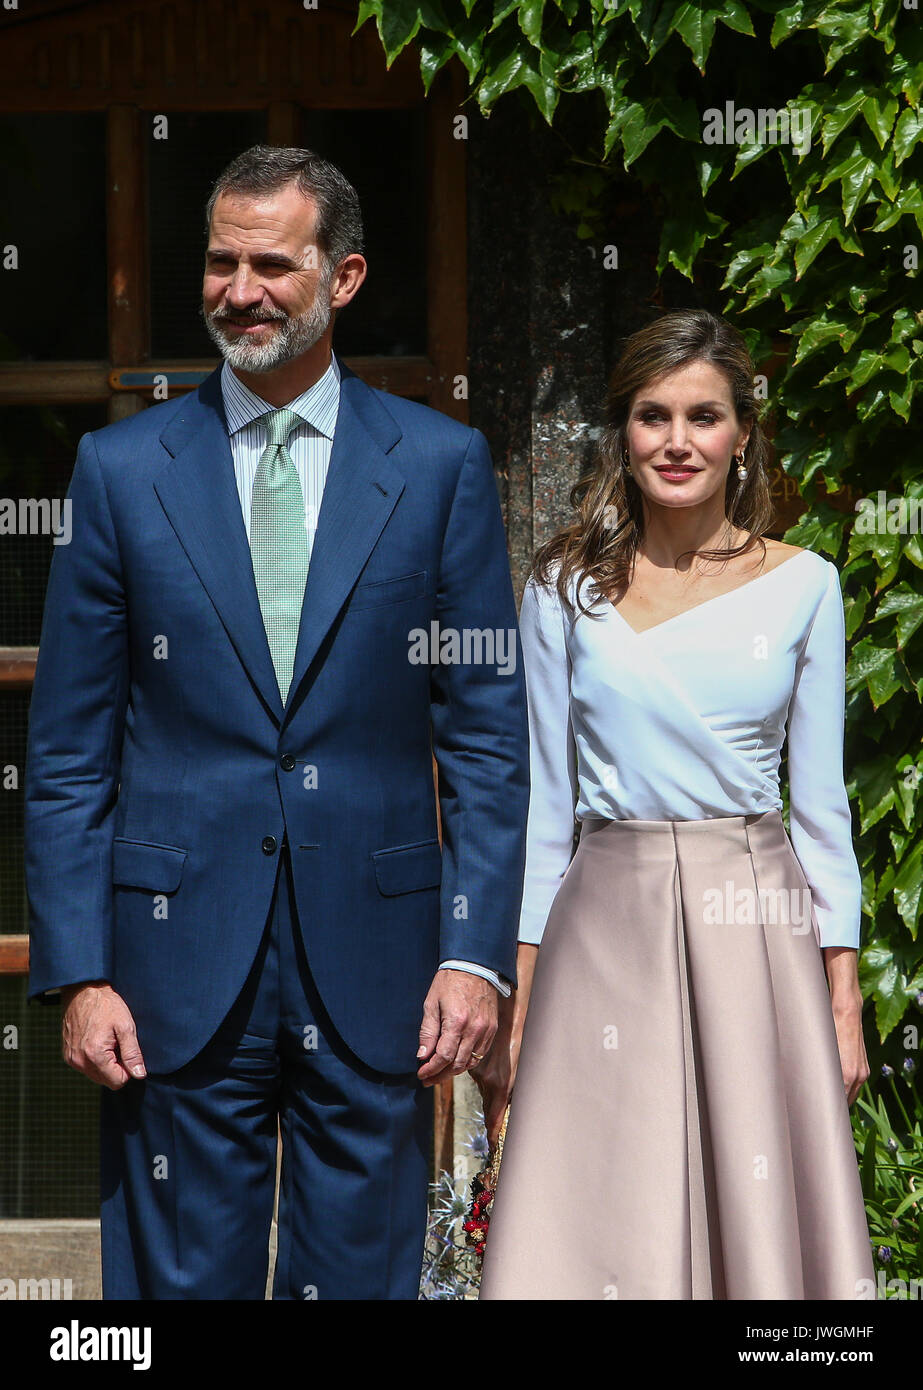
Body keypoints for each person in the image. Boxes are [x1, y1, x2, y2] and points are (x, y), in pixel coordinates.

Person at [24, 145, 529, 1300]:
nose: (236, 290)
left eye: (270, 264)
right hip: (169, 966)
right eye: (217, 261)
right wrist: (80, 970)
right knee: (175, 1287)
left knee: (360, 1280)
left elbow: (488, 741)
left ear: (342, 277)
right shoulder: (119, 468)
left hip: (385, 965)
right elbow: (64, 752)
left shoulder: (443, 468)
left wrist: (471, 952)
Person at [476, 309, 874, 1300]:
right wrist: (518, 1001)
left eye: (702, 416)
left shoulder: (806, 588)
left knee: (758, 1210)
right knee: (603, 1206)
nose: (677, 441)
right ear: (623, 432)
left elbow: (821, 813)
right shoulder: (562, 589)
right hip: (604, 928)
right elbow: (542, 812)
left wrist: (842, 996)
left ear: (741, 432)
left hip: (756, 928)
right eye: (652, 416)